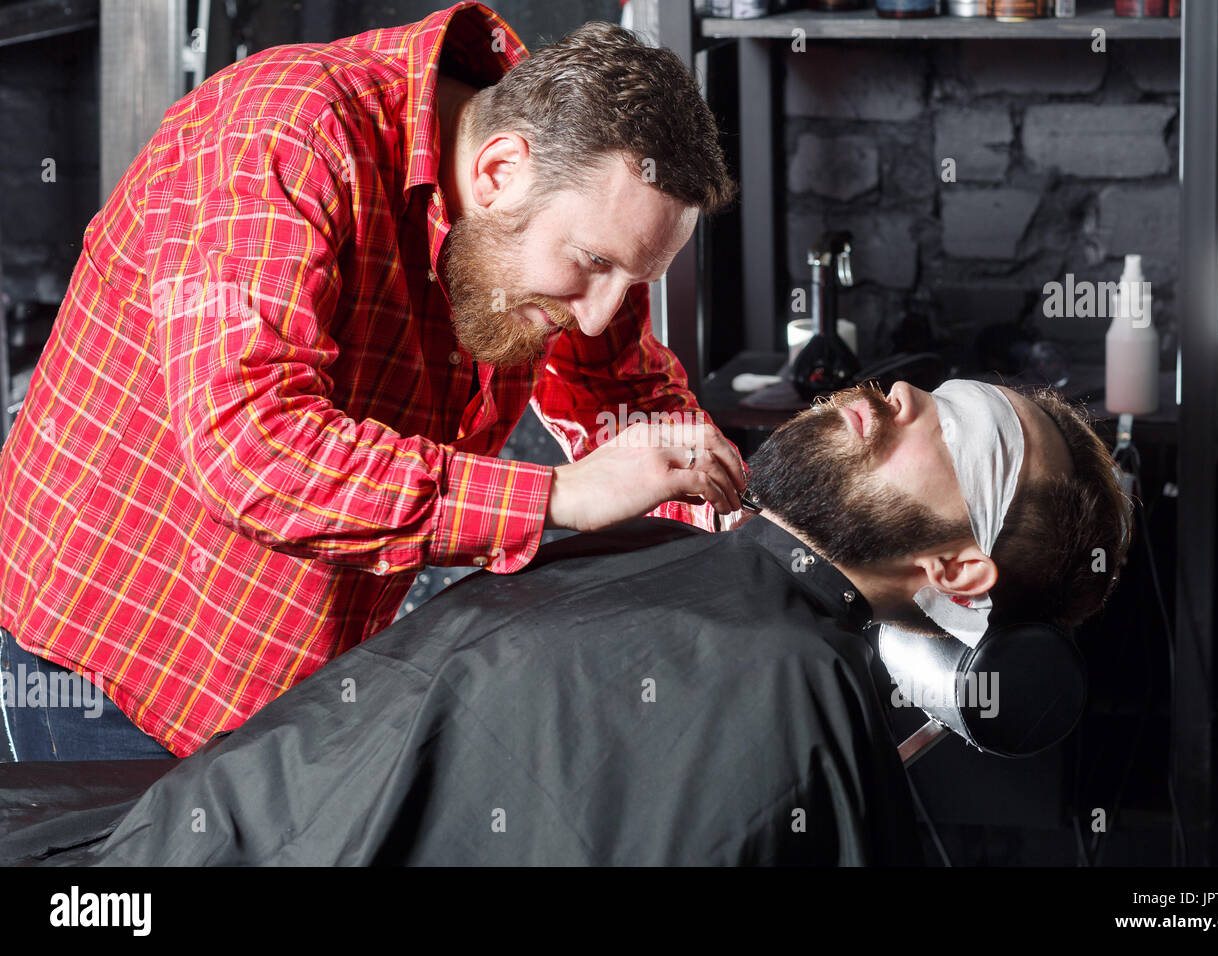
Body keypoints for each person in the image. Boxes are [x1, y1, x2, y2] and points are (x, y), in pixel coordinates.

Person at [0, 5, 748, 762]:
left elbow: (618, 386)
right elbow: (255, 448)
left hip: (312, 687)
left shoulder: (581, 199)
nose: (599, 316)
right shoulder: (283, 134)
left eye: (634, 279)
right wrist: (560, 496)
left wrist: (728, 517)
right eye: (592, 263)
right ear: (497, 172)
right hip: (112, 675)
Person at [0, 379, 1131, 866]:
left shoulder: (785, 695)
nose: (886, 395)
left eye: (944, 430)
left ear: (956, 564)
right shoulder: (687, 547)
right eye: (915, 387)